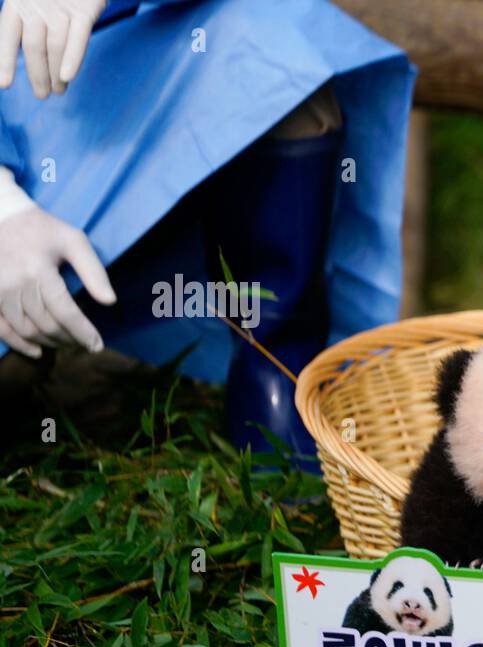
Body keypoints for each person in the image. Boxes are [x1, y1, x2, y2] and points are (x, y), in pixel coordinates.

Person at [0, 0, 415, 461]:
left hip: (100, 91)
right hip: (20, 133)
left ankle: (278, 378)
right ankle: (24, 363)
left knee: (270, 33)